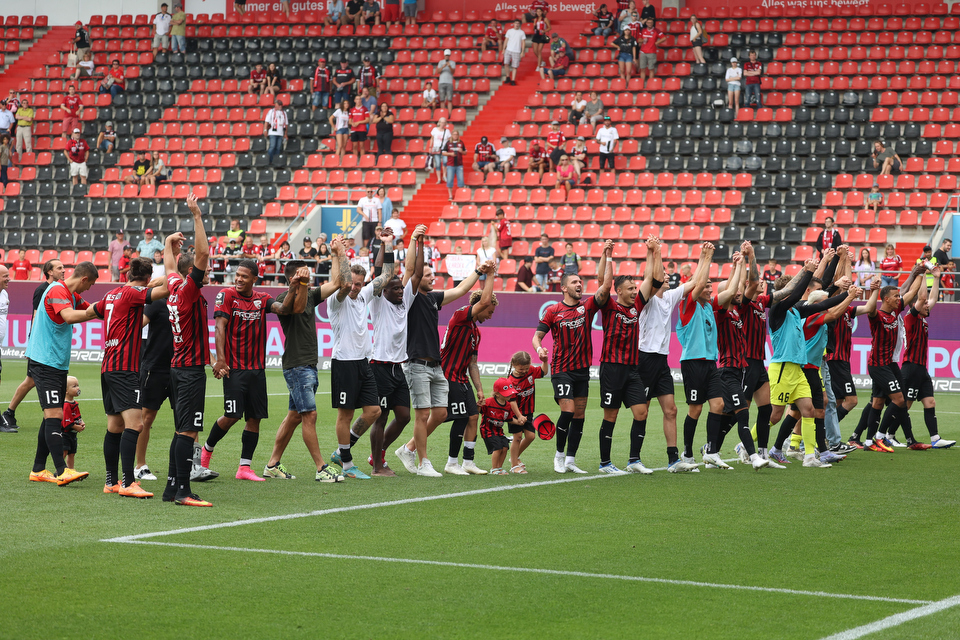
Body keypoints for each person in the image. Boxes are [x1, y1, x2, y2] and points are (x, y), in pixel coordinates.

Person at [393, 225, 488, 477]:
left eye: (433, 274)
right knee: (422, 414)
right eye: (428, 275)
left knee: (441, 412)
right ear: (417, 279)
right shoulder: (410, 296)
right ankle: (423, 462)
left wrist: (479, 271)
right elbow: (412, 269)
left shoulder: (433, 298)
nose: (432, 278)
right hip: (416, 364)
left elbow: (460, 290)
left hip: (436, 366)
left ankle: (408, 449)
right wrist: (416, 241)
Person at [199, 259, 299, 480]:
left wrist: (293, 287)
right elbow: (219, 327)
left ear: (255, 279)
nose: (239, 279)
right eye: (238, 275)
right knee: (232, 415)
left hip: (257, 370)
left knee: (254, 418)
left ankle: (244, 468)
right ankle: (206, 452)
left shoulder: (262, 299)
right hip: (234, 369)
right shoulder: (226, 295)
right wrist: (221, 361)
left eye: (245, 276)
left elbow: (283, 309)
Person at [90, 253, 170, 497]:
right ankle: (127, 483)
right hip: (125, 368)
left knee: (114, 426)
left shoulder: (110, 294)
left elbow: (92, 312)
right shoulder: (134, 293)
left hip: (108, 366)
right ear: (146, 278)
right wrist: (165, 273)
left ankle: (111, 481)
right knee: (135, 424)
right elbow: (165, 291)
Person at [264, 255, 345, 482]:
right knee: (309, 414)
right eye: (303, 274)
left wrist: (337, 254)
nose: (308, 278)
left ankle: (272, 464)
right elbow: (297, 309)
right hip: (297, 366)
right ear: (292, 278)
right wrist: (297, 285)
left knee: (294, 417)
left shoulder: (310, 293)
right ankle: (321, 468)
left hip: (308, 364)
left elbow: (337, 282)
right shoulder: (284, 297)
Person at [23, 263, 100, 486]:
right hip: (45, 361)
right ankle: (62, 470)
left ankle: (38, 469)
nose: (89, 289)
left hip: (55, 363)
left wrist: (112, 305)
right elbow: (69, 316)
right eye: (91, 284)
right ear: (84, 279)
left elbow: (91, 309)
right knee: (55, 414)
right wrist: (98, 310)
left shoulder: (71, 294)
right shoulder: (58, 291)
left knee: (50, 416)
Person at [533, 254, 604, 474]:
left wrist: (606, 256)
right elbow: (537, 336)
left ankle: (571, 460)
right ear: (564, 288)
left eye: (580, 282)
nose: (579, 285)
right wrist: (539, 349)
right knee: (568, 411)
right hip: (562, 369)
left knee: (580, 416)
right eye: (574, 282)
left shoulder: (587, 307)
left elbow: (606, 287)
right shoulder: (553, 311)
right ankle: (559, 456)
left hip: (583, 369)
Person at [593, 239, 659, 473]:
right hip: (611, 368)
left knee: (641, 412)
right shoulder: (609, 306)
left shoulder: (636, 307)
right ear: (618, 291)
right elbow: (603, 282)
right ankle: (604, 463)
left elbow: (650, 279)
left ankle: (634, 460)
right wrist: (607, 255)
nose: (634, 292)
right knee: (610, 416)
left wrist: (651, 252)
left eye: (635, 289)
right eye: (630, 289)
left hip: (632, 369)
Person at [439, 260, 499, 476]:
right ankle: (450, 462)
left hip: (462, 379)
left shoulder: (476, 331)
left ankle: (468, 462)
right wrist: (490, 275)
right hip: (447, 376)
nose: (490, 316)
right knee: (457, 418)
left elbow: (473, 363)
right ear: (480, 306)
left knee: (473, 417)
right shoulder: (460, 316)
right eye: (489, 312)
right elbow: (484, 301)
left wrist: (480, 389)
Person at [902, 269, 955, 449]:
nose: (928, 306)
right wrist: (923, 275)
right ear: (917, 305)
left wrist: (937, 278)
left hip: (921, 368)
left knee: (930, 401)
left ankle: (935, 438)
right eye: (924, 304)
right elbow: (924, 297)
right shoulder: (912, 317)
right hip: (911, 366)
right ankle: (887, 434)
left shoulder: (922, 318)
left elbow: (930, 299)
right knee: (905, 404)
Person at [506, 351, 546, 470]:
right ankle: (514, 465)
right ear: (513, 365)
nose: (524, 371)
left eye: (526, 368)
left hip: (528, 412)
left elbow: (543, 372)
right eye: (521, 369)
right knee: (517, 437)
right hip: (514, 414)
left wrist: (544, 361)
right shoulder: (511, 381)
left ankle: (515, 456)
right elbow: (512, 401)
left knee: (531, 436)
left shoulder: (531, 371)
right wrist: (518, 416)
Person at [479, 379, 525, 474]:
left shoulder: (508, 406)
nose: (509, 395)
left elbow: (509, 419)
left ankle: (499, 468)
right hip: (487, 430)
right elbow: (478, 410)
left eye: (510, 393)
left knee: (505, 447)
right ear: (497, 394)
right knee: (498, 448)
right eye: (506, 393)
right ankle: (494, 468)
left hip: (499, 431)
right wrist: (479, 405)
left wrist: (519, 422)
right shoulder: (488, 402)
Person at [61, 376, 85, 470]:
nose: (78, 388)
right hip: (65, 433)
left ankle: (71, 470)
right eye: (74, 386)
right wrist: (76, 427)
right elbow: (66, 423)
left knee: (72, 453)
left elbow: (77, 416)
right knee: (64, 452)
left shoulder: (74, 403)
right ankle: (60, 470)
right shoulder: (66, 405)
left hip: (72, 434)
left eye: (77, 385)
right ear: (66, 391)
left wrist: (81, 422)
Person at [637, 17, 666, 84]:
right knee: (642, 69)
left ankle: (650, 84)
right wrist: (643, 40)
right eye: (649, 22)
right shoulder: (643, 30)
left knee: (651, 69)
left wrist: (657, 43)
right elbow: (638, 40)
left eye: (651, 23)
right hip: (643, 52)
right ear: (646, 23)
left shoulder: (656, 30)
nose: (650, 24)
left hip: (652, 52)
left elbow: (664, 38)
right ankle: (641, 84)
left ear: (653, 23)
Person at [442, 129, 466, 200]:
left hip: (459, 164)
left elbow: (465, 152)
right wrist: (450, 154)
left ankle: (461, 195)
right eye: (454, 134)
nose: (455, 136)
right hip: (450, 164)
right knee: (449, 180)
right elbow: (443, 152)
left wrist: (462, 151)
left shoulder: (461, 143)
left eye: (456, 134)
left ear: (458, 135)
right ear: (452, 135)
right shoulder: (448, 143)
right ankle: (450, 195)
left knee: (461, 180)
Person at [503, 20, 526, 86]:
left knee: (514, 66)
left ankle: (513, 80)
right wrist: (503, 49)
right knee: (506, 64)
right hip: (508, 49)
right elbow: (506, 40)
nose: (517, 24)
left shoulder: (522, 32)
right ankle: (508, 77)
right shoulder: (509, 31)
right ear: (513, 24)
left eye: (518, 23)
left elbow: (523, 42)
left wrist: (522, 51)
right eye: (516, 23)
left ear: (520, 24)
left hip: (516, 51)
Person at [428, 117, 450, 184]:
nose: (443, 124)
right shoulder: (435, 130)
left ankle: (444, 175)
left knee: (445, 161)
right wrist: (430, 147)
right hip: (436, 148)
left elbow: (449, 140)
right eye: (442, 122)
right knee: (438, 163)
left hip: (444, 149)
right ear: (439, 122)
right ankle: (439, 179)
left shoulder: (447, 131)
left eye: (444, 122)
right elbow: (432, 138)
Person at [436, 49, 456, 113]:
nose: (447, 56)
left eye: (448, 55)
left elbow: (453, 72)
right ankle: (443, 113)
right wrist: (442, 67)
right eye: (446, 55)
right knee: (442, 100)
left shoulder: (452, 62)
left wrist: (449, 66)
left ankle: (450, 114)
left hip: (449, 82)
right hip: (441, 82)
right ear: (444, 55)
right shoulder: (441, 62)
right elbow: (438, 71)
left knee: (449, 99)